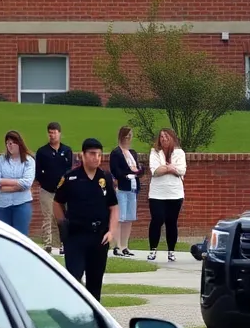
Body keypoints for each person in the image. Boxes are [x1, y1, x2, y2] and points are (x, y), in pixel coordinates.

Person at [53, 138, 120, 300]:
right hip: (76, 236)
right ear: (82, 155)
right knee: (74, 279)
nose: (96, 157)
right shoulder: (71, 178)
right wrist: (63, 226)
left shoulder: (105, 178)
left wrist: (111, 231)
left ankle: (94, 320)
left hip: (99, 237)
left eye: (98, 154)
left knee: (95, 283)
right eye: (92, 154)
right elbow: (57, 203)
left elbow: (114, 207)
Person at [147, 128, 186, 262]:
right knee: (157, 220)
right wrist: (171, 168)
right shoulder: (155, 152)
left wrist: (169, 168)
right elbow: (155, 171)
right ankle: (153, 250)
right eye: (161, 136)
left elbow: (182, 170)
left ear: (172, 138)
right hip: (157, 194)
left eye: (166, 136)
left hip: (175, 193)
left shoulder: (179, 153)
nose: (163, 138)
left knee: (171, 222)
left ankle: (171, 251)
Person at [35, 122, 74, 255]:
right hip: (47, 190)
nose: (52, 135)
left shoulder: (66, 151)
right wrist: (45, 182)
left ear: (59, 133)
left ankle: (63, 243)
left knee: (62, 217)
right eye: (50, 133)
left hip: (63, 191)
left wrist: (64, 184)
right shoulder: (42, 152)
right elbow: (38, 172)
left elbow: (69, 170)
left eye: (54, 132)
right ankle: (48, 244)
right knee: (47, 217)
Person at [0, 130, 36, 236]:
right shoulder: (0, 161)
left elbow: (26, 183)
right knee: (4, 236)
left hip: (21, 203)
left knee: (20, 236)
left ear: (18, 143)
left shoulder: (28, 161)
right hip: (3, 205)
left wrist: (3, 183)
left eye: (11, 143)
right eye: (7, 143)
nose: (9, 146)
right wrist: (16, 185)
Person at [108, 125, 140, 256]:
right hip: (121, 187)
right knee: (120, 217)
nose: (128, 139)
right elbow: (115, 170)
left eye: (130, 136)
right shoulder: (116, 153)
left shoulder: (132, 153)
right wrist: (127, 174)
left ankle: (125, 245)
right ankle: (117, 246)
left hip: (132, 187)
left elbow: (137, 168)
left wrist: (138, 172)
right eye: (126, 136)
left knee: (129, 218)